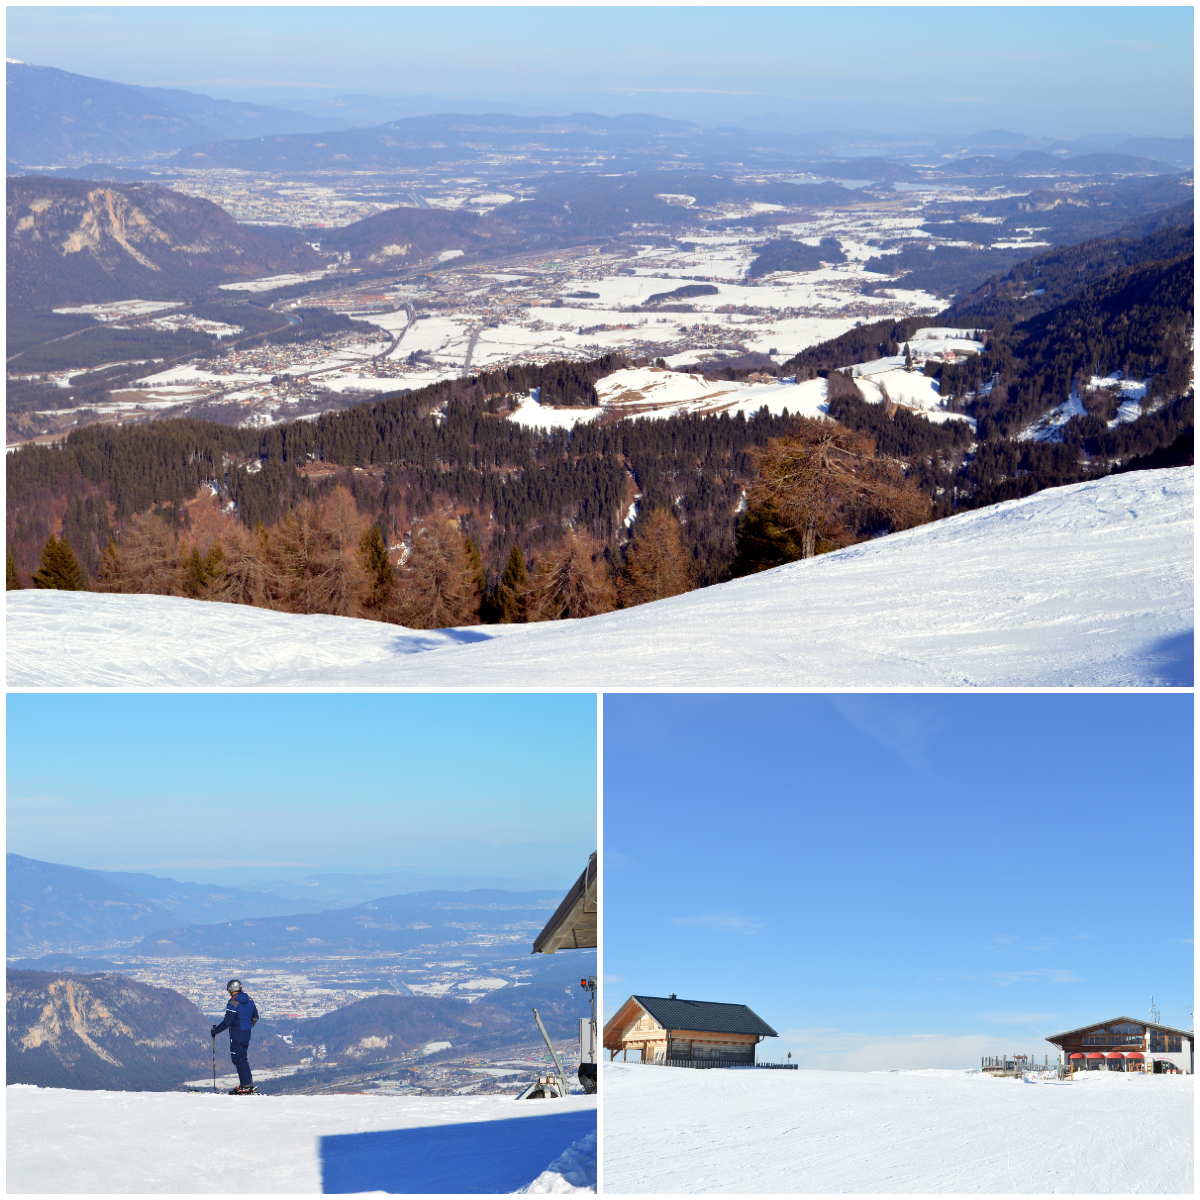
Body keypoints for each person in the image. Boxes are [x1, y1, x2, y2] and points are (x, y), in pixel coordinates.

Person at [211, 979, 260, 1094]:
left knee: (238, 1059)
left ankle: (246, 1087)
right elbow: (255, 1017)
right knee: (243, 1058)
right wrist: (247, 1027)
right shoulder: (249, 1000)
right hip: (246, 1034)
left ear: (231, 989)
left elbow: (227, 1022)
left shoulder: (233, 1003)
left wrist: (215, 1031)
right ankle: (247, 1084)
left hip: (237, 1035)